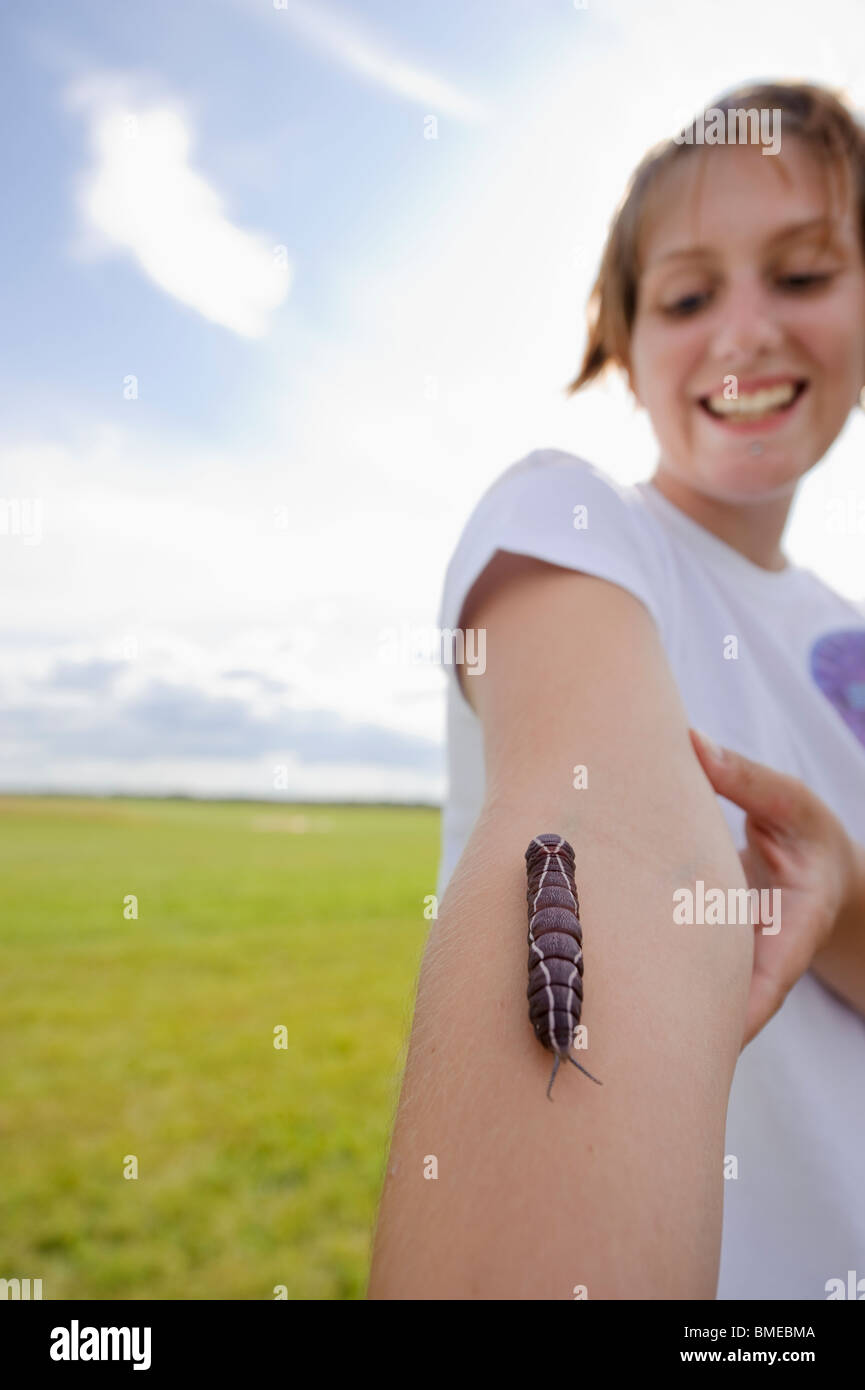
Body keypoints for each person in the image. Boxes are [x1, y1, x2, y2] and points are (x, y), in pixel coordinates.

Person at [368, 80, 865, 1301]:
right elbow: (613, 845)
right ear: (623, 351)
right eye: (689, 296)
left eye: (800, 275)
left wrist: (842, 900)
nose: (743, 331)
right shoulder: (570, 523)